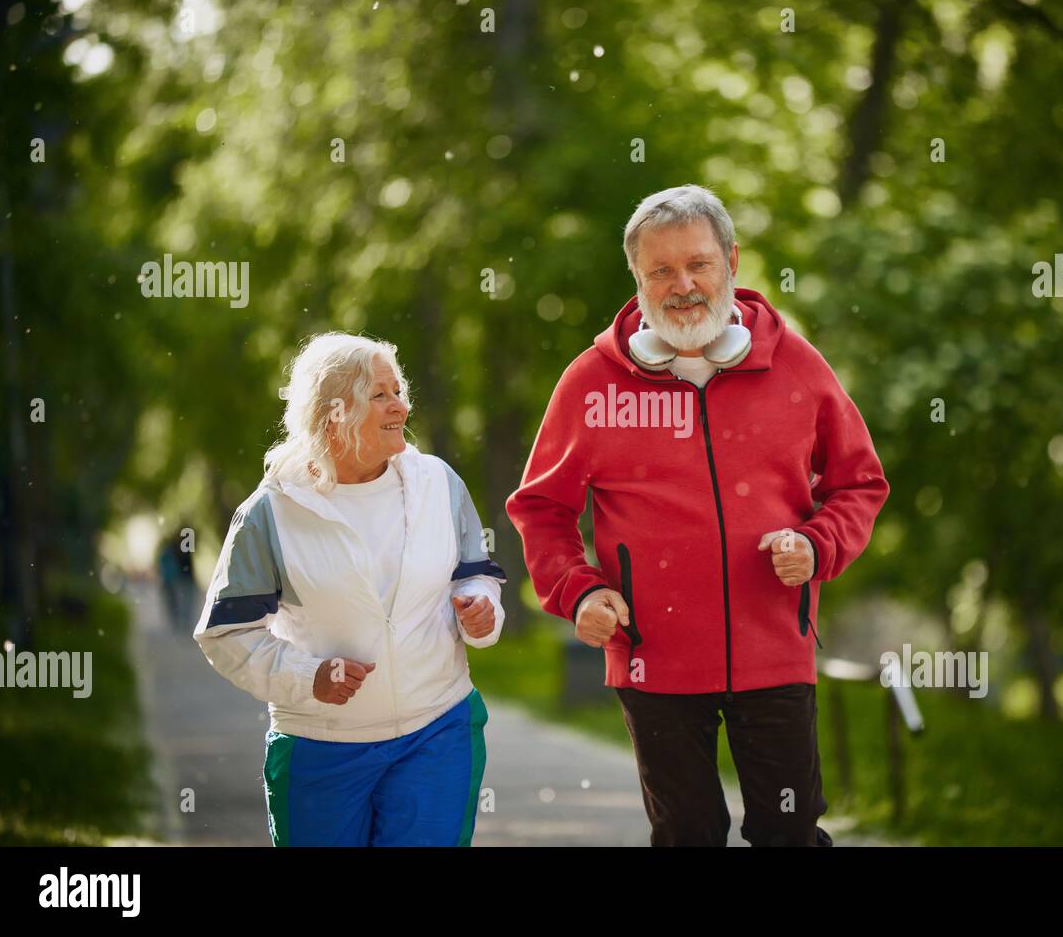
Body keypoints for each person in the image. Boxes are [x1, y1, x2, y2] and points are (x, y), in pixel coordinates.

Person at [506, 184, 889, 846]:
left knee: (789, 830)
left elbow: (859, 481)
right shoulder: (592, 384)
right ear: (638, 277)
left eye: (698, 264)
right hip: (654, 658)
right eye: (661, 269)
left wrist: (818, 544)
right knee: (687, 832)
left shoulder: (797, 366)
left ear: (731, 262)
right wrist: (581, 589)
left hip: (774, 651)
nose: (682, 284)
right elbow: (541, 508)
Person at [194, 332, 504, 846]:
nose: (401, 406)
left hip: (437, 730)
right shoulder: (271, 513)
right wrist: (307, 676)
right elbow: (225, 634)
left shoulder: (439, 484)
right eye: (380, 395)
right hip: (322, 747)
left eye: (399, 390)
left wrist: (483, 609)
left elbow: (474, 574)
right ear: (333, 412)